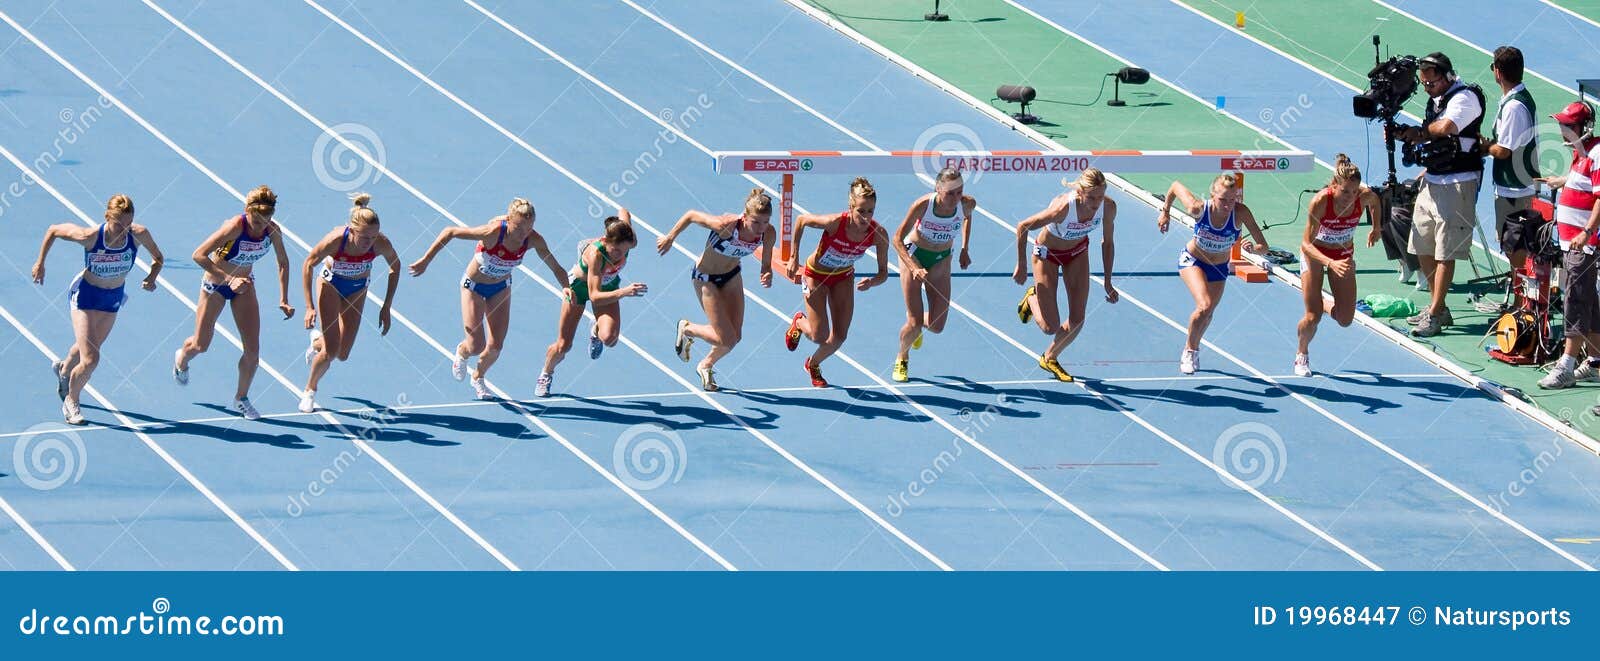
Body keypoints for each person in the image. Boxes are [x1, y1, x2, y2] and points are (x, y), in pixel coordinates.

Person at [409, 197, 567, 400]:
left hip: (500, 288)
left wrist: (566, 288)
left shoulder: (533, 240)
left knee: (495, 347)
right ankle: (462, 351)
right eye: (519, 228)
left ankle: (478, 377)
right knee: (476, 346)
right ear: (509, 220)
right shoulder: (493, 233)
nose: (523, 234)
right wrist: (426, 260)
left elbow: (555, 266)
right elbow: (450, 231)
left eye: (528, 228)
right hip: (474, 287)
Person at [31, 194, 164, 424]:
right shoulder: (91, 237)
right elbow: (53, 230)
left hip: (112, 298)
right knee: (91, 359)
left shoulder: (138, 234)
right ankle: (71, 402)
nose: (124, 230)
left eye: (128, 224)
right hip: (85, 297)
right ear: (107, 217)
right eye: (119, 224)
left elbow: (159, 258)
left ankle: (64, 369)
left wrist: (152, 277)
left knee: (86, 347)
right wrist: (40, 263)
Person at [173, 185, 294, 420]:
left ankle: (241, 398)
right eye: (256, 221)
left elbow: (283, 263)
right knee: (200, 345)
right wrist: (228, 278)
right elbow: (198, 254)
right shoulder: (234, 227)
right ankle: (182, 359)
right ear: (247, 211)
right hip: (216, 285)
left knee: (253, 350)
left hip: (245, 286)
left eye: (265, 221)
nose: (260, 227)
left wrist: (284, 298)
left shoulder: (272, 231)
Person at [1401, 52, 1486, 338]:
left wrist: (1419, 132)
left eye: (1432, 83)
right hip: (1434, 179)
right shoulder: (1435, 100)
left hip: (1458, 182)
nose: (1428, 88)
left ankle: (1436, 313)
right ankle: (1439, 306)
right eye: (1424, 84)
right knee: (1422, 245)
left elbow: (1447, 128)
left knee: (1444, 252)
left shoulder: (1465, 98)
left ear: (1447, 76)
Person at [658, 191, 777, 392]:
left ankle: (705, 365)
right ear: (745, 217)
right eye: (756, 222)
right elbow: (691, 215)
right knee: (726, 339)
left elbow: (766, 264)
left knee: (735, 337)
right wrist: (670, 237)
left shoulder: (768, 233)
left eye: (765, 222)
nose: (760, 228)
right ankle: (687, 329)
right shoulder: (726, 226)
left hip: (732, 276)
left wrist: (767, 273)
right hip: (706, 278)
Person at [1011, 168, 1119, 382]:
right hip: (1047, 255)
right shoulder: (1062, 208)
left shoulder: (1108, 207)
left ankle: (1050, 357)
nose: (1097, 202)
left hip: (1077, 253)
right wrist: (1022, 265)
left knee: (1077, 319)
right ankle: (1032, 298)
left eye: (1100, 196)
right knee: (1050, 327)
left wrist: (1108, 282)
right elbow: (1023, 226)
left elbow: (1107, 243)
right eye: (1092, 197)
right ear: (1080, 192)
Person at [298, 193, 401, 413]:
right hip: (331, 286)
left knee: (342, 354)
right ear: (352, 231)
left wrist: (386, 306)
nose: (369, 243)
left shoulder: (380, 243)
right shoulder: (336, 240)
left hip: (357, 290)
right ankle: (309, 390)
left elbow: (395, 266)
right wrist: (309, 306)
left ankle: (317, 341)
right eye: (365, 238)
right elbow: (308, 264)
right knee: (331, 351)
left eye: (373, 237)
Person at [784, 177, 890, 387]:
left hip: (843, 277)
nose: (866, 217)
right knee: (818, 335)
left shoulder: (878, 234)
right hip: (815, 274)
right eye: (861, 210)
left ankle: (813, 364)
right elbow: (801, 220)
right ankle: (798, 322)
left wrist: (872, 282)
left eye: (871, 211)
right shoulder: (835, 223)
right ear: (851, 207)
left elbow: (883, 273)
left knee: (839, 337)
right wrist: (794, 256)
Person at [1158, 175, 1269, 374]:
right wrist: (1165, 212)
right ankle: (1189, 351)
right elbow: (1175, 185)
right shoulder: (1199, 209)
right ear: (1212, 196)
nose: (1228, 205)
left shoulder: (1241, 213)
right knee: (1204, 305)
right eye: (1223, 200)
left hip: (1219, 267)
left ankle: (1194, 346)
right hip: (1193, 260)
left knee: (1208, 314)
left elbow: (1264, 247)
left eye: (1232, 199)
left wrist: (1253, 248)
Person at [537, 210, 645, 397]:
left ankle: (595, 330)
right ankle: (546, 373)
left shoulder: (628, 239)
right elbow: (593, 295)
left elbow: (624, 212)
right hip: (579, 288)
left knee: (609, 339)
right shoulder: (596, 254)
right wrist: (624, 292)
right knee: (563, 345)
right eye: (617, 251)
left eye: (626, 251)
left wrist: (621, 215)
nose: (620, 255)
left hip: (607, 286)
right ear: (605, 241)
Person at [1294, 155, 1382, 376]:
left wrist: (1377, 227)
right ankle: (1301, 354)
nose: (1349, 198)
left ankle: (1321, 301)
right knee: (1312, 316)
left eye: (1353, 192)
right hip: (1315, 254)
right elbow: (1306, 244)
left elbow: (1376, 203)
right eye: (1345, 192)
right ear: (1334, 186)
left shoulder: (1364, 196)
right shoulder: (1321, 201)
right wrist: (1329, 262)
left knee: (1345, 319)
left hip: (1342, 255)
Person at [890, 167, 975, 382]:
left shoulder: (967, 203)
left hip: (941, 260)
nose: (955, 198)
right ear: (938, 188)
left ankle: (917, 327)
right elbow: (897, 239)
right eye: (950, 193)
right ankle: (902, 356)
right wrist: (913, 266)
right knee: (913, 320)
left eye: (959, 191)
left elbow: (967, 217)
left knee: (937, 326)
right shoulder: (923, 206)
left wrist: (965, 248)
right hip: (915, 255)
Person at [1537, 101, 1600, 389]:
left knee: (1575, 299)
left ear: (1583, 128)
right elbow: (1586, 186)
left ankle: (1566, 365)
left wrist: (1587, 232)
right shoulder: (1582, 154)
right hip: (1573, 243)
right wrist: (1563, 181)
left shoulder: (1597, 154)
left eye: (1568, 126)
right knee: (1589, 302)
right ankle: (1596, 360)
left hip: (1583, 245)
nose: (1563, 130)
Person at [1484, 46, 1540, 275]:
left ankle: (1521, 301)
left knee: (1515, 246)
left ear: (1497, 72)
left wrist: (1484, 145)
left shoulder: (1515, 106)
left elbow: (1504, 150)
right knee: (1513, 245)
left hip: (1515, 188)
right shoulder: (1513, 100)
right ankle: (1520, 294)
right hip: (1514, 186)